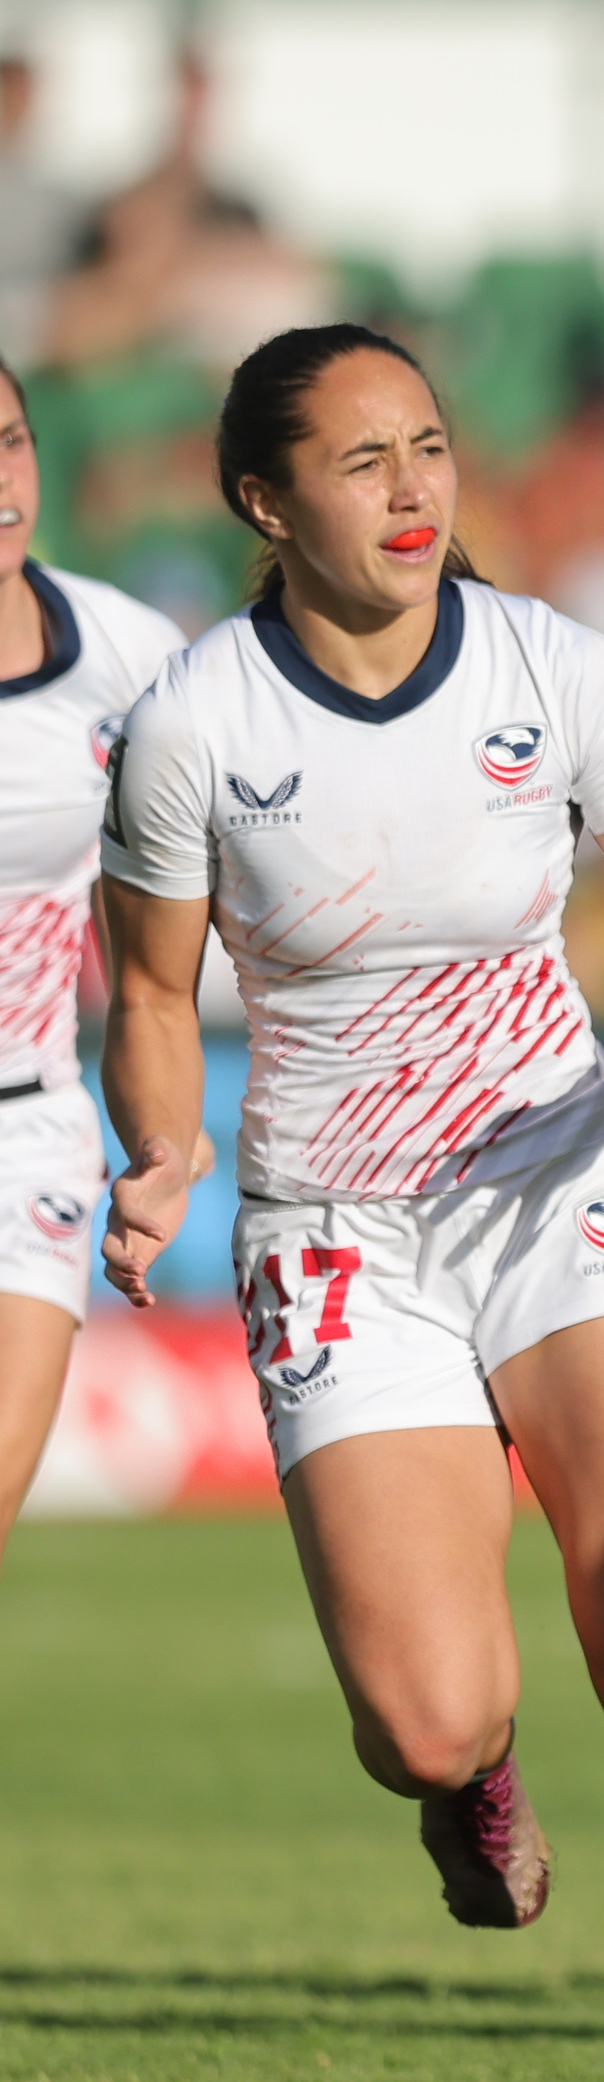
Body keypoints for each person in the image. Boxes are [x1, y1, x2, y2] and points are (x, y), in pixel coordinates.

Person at [94, 325, 604, 2082]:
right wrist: (160, 1148)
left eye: (428, 447)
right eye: (363, 461)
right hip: (339, 1229)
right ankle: (467, 1789)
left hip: (560, 1184)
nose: (416, 489)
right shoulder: (193, 722)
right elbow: (158, 990)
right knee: (429, 1721)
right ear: (266, 501)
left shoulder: (556, 667)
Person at [0, 357, 203, 1552]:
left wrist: (167, 1140)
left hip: (26, 1132)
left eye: (12, 441)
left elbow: (179, 937)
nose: (0, 480)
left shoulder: (126, 654)